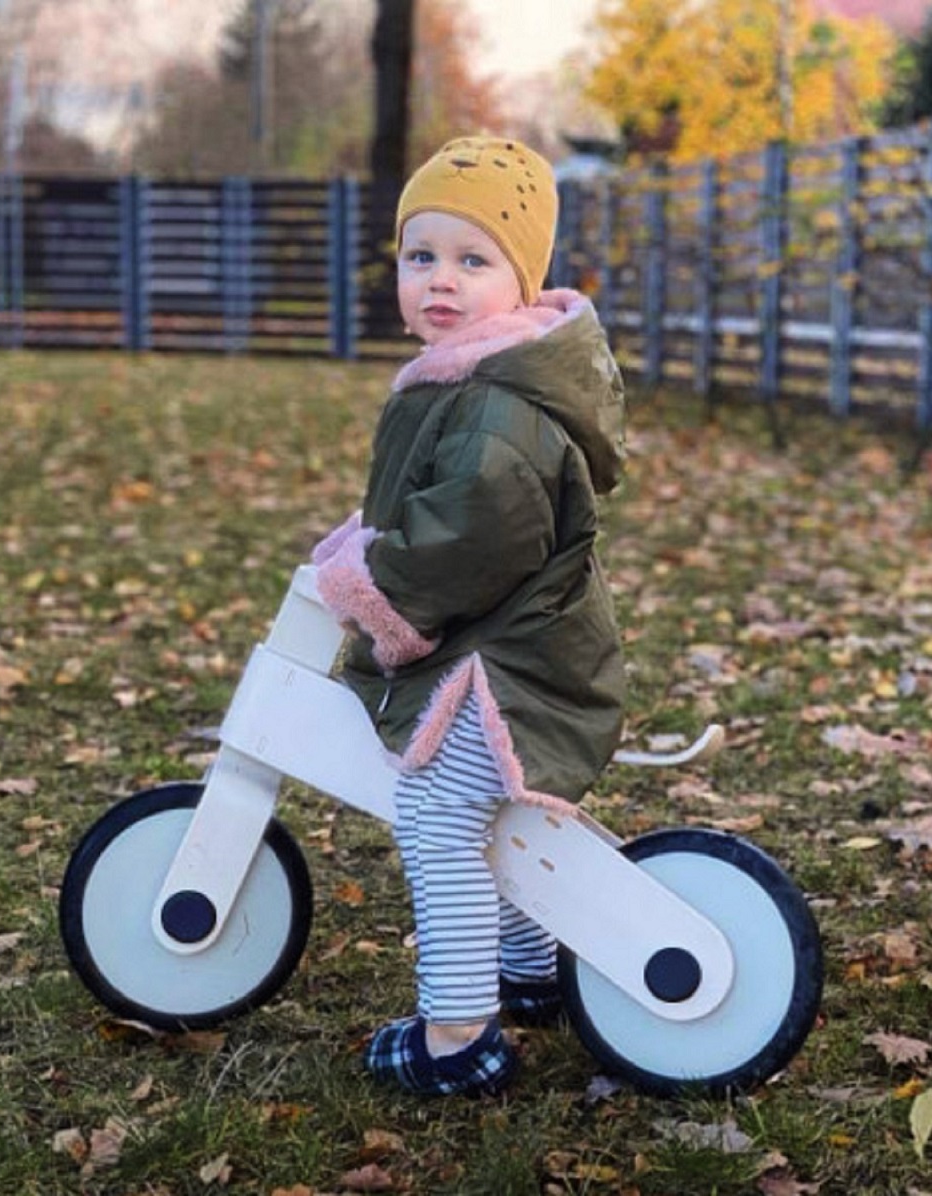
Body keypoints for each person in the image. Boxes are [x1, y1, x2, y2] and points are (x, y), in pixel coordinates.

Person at [310, 136, 626, 1096]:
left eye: (472, 259)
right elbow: (432, 505)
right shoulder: (469, 378)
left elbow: (471, 539)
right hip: (509, 647)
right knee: (491, 809)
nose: (440, 280)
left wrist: (375, 582)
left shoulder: (499, 408)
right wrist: (368, 539)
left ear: (521, 281)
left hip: (517, 665)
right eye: (422, 255)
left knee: (439, 810)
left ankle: (460, 1035)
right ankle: (530, 970)